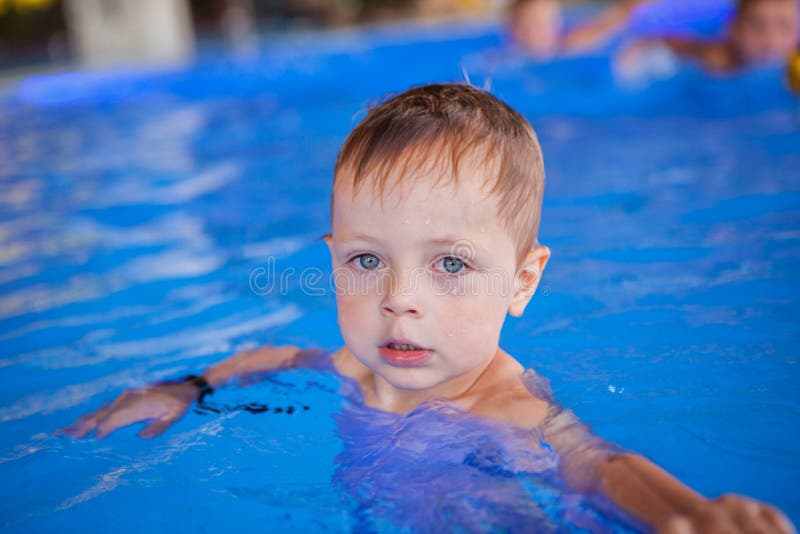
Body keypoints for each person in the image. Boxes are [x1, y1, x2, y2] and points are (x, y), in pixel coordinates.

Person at [60, 83, 796, 533]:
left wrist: (691, 514)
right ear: (333, 260)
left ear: (522, 281)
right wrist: (187, 387)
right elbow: (269, 357)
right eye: (367, 260)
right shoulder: (351, 365)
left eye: (450, 264)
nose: (398, 300)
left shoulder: (508, 406)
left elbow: (595, 464)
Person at [620, 0, 800, 72]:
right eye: (756, 26)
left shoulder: (792, 60)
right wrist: (640, 46)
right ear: (733, 30)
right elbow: (676, 44)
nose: (770, 39)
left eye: (784, 26)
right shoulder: (720, 58)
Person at [508, 0, 644, 58]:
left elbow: (607, 25)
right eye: (535, 24)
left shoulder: (570, 45)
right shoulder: (505, 59)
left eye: (548, 23)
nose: (543, 31)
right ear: (514, 30)